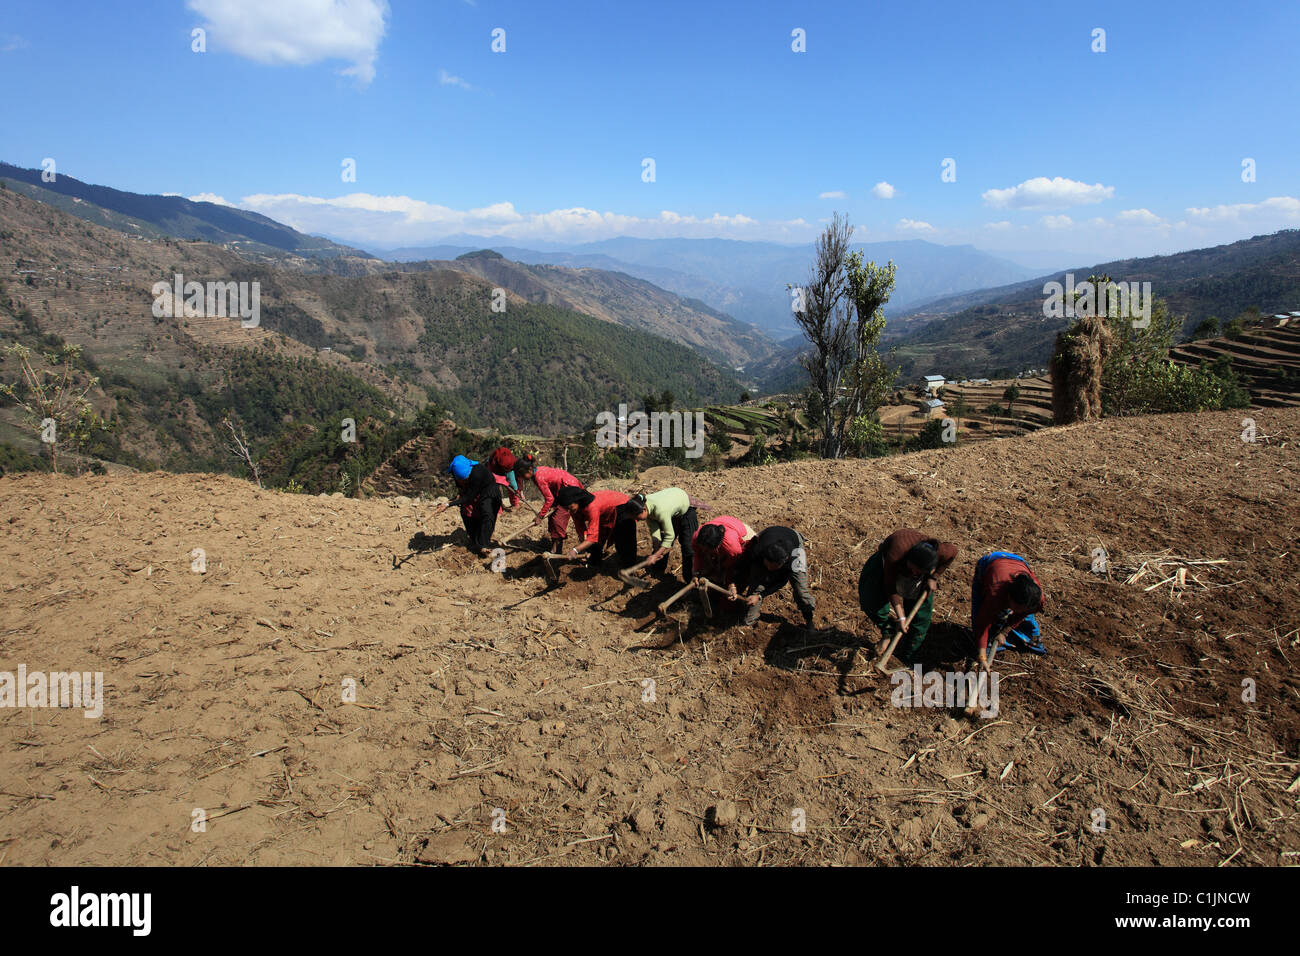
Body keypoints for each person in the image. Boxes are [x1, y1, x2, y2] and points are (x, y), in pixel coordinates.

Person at [858, 529, 958, 665]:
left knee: (921, 618)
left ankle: (909, 654)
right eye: (912, 569)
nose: (914, 572)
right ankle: (888, 632)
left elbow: (953, 552)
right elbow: (890, 587)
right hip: (886, 567)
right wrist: (901, 617)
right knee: (871, 600)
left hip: (919, 577)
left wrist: (933, 577)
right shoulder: (896, 553)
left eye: (919, 571)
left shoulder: (942, 552)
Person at [970, 551, 1046, 671]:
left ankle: (1015, 636)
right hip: (991, 562)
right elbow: (982, 624)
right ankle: (987, 641)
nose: (1017, 611)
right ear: (1009, 597)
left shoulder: (1037, 600)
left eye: (1022, 609)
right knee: (982, 613)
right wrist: (982, 657)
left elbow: (1023, 614)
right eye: (1016, 608)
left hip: (1019, 562)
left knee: (1027, 623)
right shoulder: (995, 594)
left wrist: (1004, 632)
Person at [730, 526, 815, 629]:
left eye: (773, 568)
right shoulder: (757, 550)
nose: (769, 569)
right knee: (757, 584)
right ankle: (750, 619)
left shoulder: (793, 560)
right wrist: (733, 584)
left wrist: (760, 596)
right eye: (767, 565)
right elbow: (740, 564)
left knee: (801, 590)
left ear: (782, 563)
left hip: (794, 541)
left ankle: (809, 620)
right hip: (769, 534)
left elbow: (781, 582)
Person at [623, 488, 699, 583]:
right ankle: (658, 570)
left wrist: (655, 555)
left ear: (644, 509)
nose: (636, 520)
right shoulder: (645, 505)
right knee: (661, 544)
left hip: (686, 511)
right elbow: (655, 531)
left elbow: (670, 536)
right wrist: (657, 549)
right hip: (671, 511)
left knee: (688, 546)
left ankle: (690, 580)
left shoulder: (660, 510)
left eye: (636, 517)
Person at [513, 454, 585, 553]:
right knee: (553, 518)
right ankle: (555, 546)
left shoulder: (538, 477)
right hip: (561, 491)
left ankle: (558, 550)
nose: (522, 478)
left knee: (558, 520)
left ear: (529, 469)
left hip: (569, 489)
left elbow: (549, 499)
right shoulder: (537, 472)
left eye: (522, 475)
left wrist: (540, 516)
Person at [433, 455, 503, 555]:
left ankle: (484, 544)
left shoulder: (477, 474)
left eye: (466, 479)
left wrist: (449, 504)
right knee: (467, 512)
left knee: (487, 514)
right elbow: (464, 492)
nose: (464, 481)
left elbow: (469, 497)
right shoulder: (456, 473)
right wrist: (457, 496)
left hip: (489, 494)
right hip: (472, 493)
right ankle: (475, 540)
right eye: (462, 480)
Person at [558, 486, 636, 568]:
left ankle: (629, 567)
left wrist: (576, 550)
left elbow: (592, 538)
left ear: (577, 500)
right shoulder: (574, 510)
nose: (568, 511)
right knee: (596, 541)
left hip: (621, 506)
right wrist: (583, 547)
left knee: (623, 540)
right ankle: (594, 562)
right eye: (565, 508)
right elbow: (580, 528)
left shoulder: (592, 507)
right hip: (605, 513)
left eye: (569, 507)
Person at [691, 516, 755, 588]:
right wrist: (696, 573)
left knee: (740, 569)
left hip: (742, 534)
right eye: (702, 548)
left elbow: (731, 566)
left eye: (707, 550)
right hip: (725, 524)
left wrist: (730, 583)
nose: (703, 551)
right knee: (708, 565)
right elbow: (698, 555)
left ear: (718, 546)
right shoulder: (697, 537)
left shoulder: (732, 548)